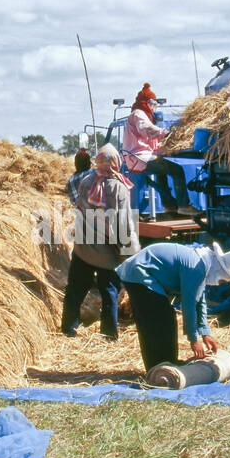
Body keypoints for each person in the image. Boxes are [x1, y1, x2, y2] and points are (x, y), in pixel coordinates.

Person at [116, 241, 230, 371]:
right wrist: (194, 340)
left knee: (165, 318)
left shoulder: (202, 265)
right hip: (139, 272)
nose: (221, 283)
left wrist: (205, 333)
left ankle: (167, 363)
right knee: (157, 319)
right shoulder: (197, 268)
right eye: (223, 279)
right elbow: (189, 305)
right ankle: (158, 367)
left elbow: (200, 301)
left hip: (141, 272)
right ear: (219, 270)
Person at [61, 144, 139, 340]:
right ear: (116, 163)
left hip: (83, 249)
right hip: (107, 254)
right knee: (109, 294)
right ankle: (109, 334)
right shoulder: (119, 188)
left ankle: (68, 329)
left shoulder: (86, 181)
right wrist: (128, 253)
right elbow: (123, 225)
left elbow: (78, 210)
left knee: (75, 290)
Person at [121, 83, 195, 216]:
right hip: (139, 158)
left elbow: (151, 141)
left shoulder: (141, 115)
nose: (154, 108)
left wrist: (169, 147)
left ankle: (169, 205)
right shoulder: (138, 113)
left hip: (137, 158)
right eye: (153, 104)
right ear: (147, 102)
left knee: (162, 171)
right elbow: (146, 130)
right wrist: (166, 133)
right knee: (177, 170)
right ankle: (184, 205)